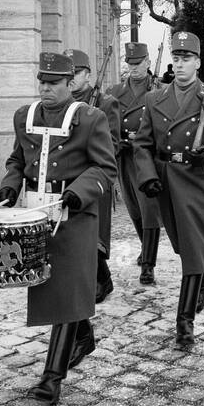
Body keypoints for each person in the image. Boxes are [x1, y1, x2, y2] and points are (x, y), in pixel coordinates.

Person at [0, 52, 116, 404]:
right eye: (42, 82)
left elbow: (105, 169)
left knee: (65, 291)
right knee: (53, 288)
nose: (46, 89)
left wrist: (78, 194)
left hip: (75, 215)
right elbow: (17, 160)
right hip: (36, 216)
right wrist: (9, 185)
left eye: (54, 83)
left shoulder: (91, 119)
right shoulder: (24, 116)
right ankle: (83, 334)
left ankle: (51, 379)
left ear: (69, 84)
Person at [133, 31, 204, 347]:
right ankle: (203, 284)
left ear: (199, 63)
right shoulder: (154, 98)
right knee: (181, 243)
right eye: (176, 58)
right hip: (164, 178)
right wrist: (147, 175)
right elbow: (143, 143)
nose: (180, 64)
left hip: (195, 177)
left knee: (193, 247)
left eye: (187, 59)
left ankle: (184, 324)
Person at [102, 42, 163, 284]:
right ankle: (144, 248)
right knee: (134, 209)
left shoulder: (160, 89)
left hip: (147, 157)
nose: (134, 68)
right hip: (124, 157)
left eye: (138, 63)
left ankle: (148, 264)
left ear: (148, 62)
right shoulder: (115, 92)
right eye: (131, 63)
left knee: (150, 210)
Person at [67, 48, 115, 302]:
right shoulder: (64, 105)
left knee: (94, 232)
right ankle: (95, 278)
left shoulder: (106, 103)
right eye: (69, 73)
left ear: (88, 75)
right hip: (70, 179)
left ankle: (101, 280)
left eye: (77, 72)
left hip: (95, 175)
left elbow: (113, 144)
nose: (72, 78)